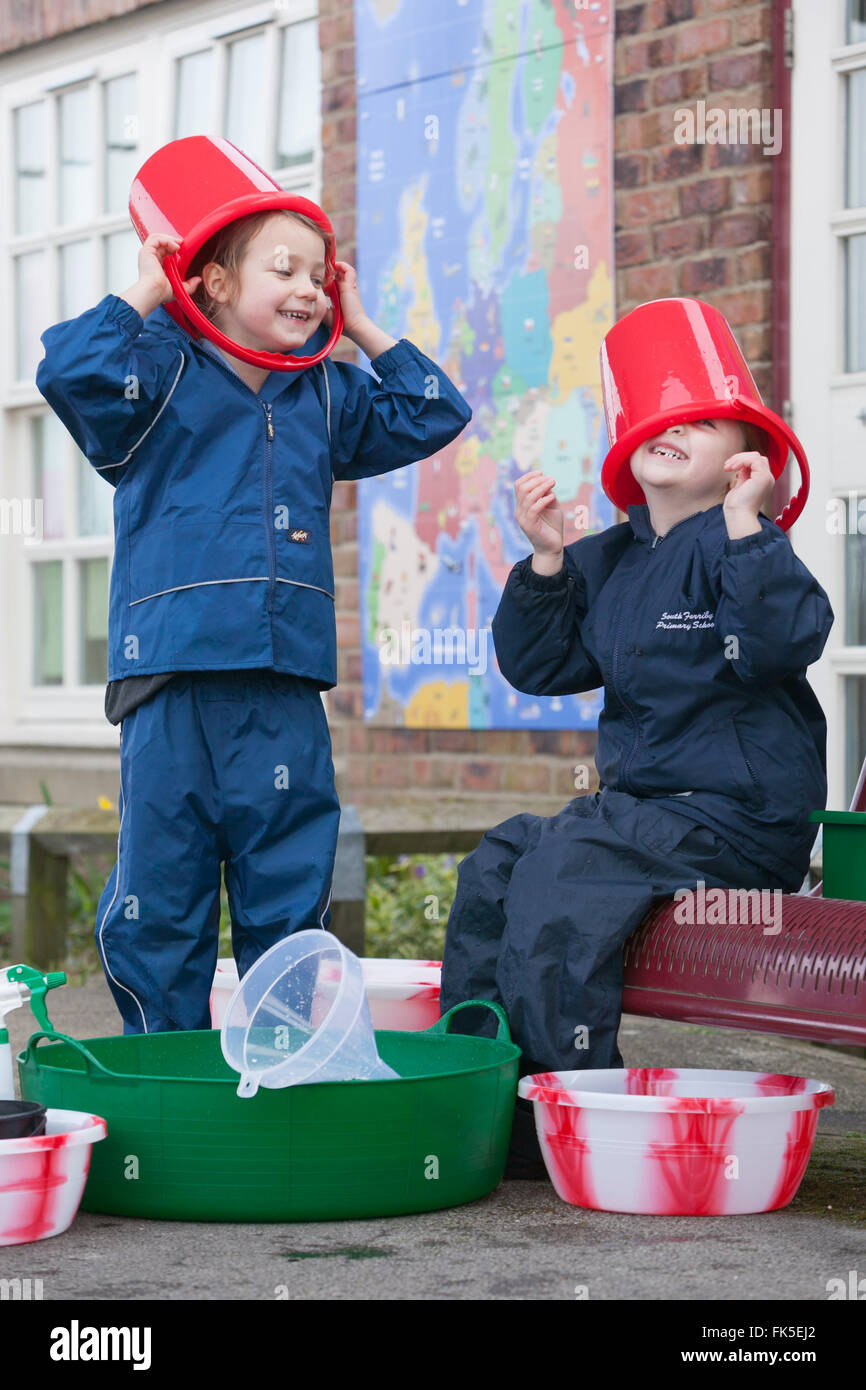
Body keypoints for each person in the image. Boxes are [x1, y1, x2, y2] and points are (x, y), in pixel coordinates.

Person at [36, 204, 472, 1034]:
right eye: (285, 269)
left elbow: (433, 411)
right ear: (216, 282)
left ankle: (282, 1063)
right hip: (171, 682)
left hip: (283, 686)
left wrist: (365, 325)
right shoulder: (156, 375)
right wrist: (150, 290)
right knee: (163, 890)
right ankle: (166, 1065)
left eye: (320, 275)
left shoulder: (329, 393)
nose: (308, 288)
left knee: (288, 882)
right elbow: (69, 368)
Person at [440, 400, 833, 1175]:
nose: (674, 430)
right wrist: (548, 560)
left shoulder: (745, 544)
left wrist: (748, 524)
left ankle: (572, 1109)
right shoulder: (614, 556)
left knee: (566, 872)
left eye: (702, 424)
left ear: (746, 460)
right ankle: (485, 1099)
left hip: (740, 819)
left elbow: (783, 642)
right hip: (642, 818)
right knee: (497, 862)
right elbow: (542, 667)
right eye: (661, 419)